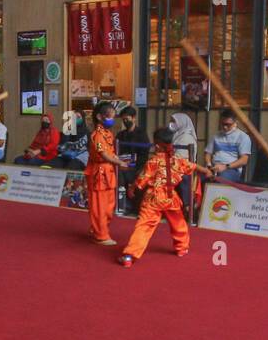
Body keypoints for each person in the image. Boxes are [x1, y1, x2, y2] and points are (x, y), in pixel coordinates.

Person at [118, 128, 213, 266]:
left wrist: (132, 189)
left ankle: (129, 256)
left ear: (157, 145)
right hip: (170, 198)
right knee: (178, 223)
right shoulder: (177, 160)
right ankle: (182, 248)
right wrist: (206, 171)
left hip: (153, 198)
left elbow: (142, 179)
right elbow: (192, 166)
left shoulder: (153, 161)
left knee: (144, 226)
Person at [85, 103, 126, 246]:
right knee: (99, 206)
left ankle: (97, 230)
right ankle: (101, 235)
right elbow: (103, 154)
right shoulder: (97, 135)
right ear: (99, 117)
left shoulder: (108, 134)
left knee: (109, 206)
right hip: (99, 174)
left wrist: (120, 161)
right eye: (110, 117)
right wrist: (119, 163)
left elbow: (111, 154)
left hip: (108, 173)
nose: (112, 120)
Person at [205, 108, 252, 183]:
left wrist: (225, 166)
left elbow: (244, 160)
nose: (225, 127)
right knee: (198, 177)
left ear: (235, 122)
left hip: (232, 169)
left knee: (221, 179)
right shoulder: (215, 136)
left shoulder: (243, 137)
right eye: (223, 124)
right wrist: (209, 165)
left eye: (228, 125)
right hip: (214, 167)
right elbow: (208, 153)